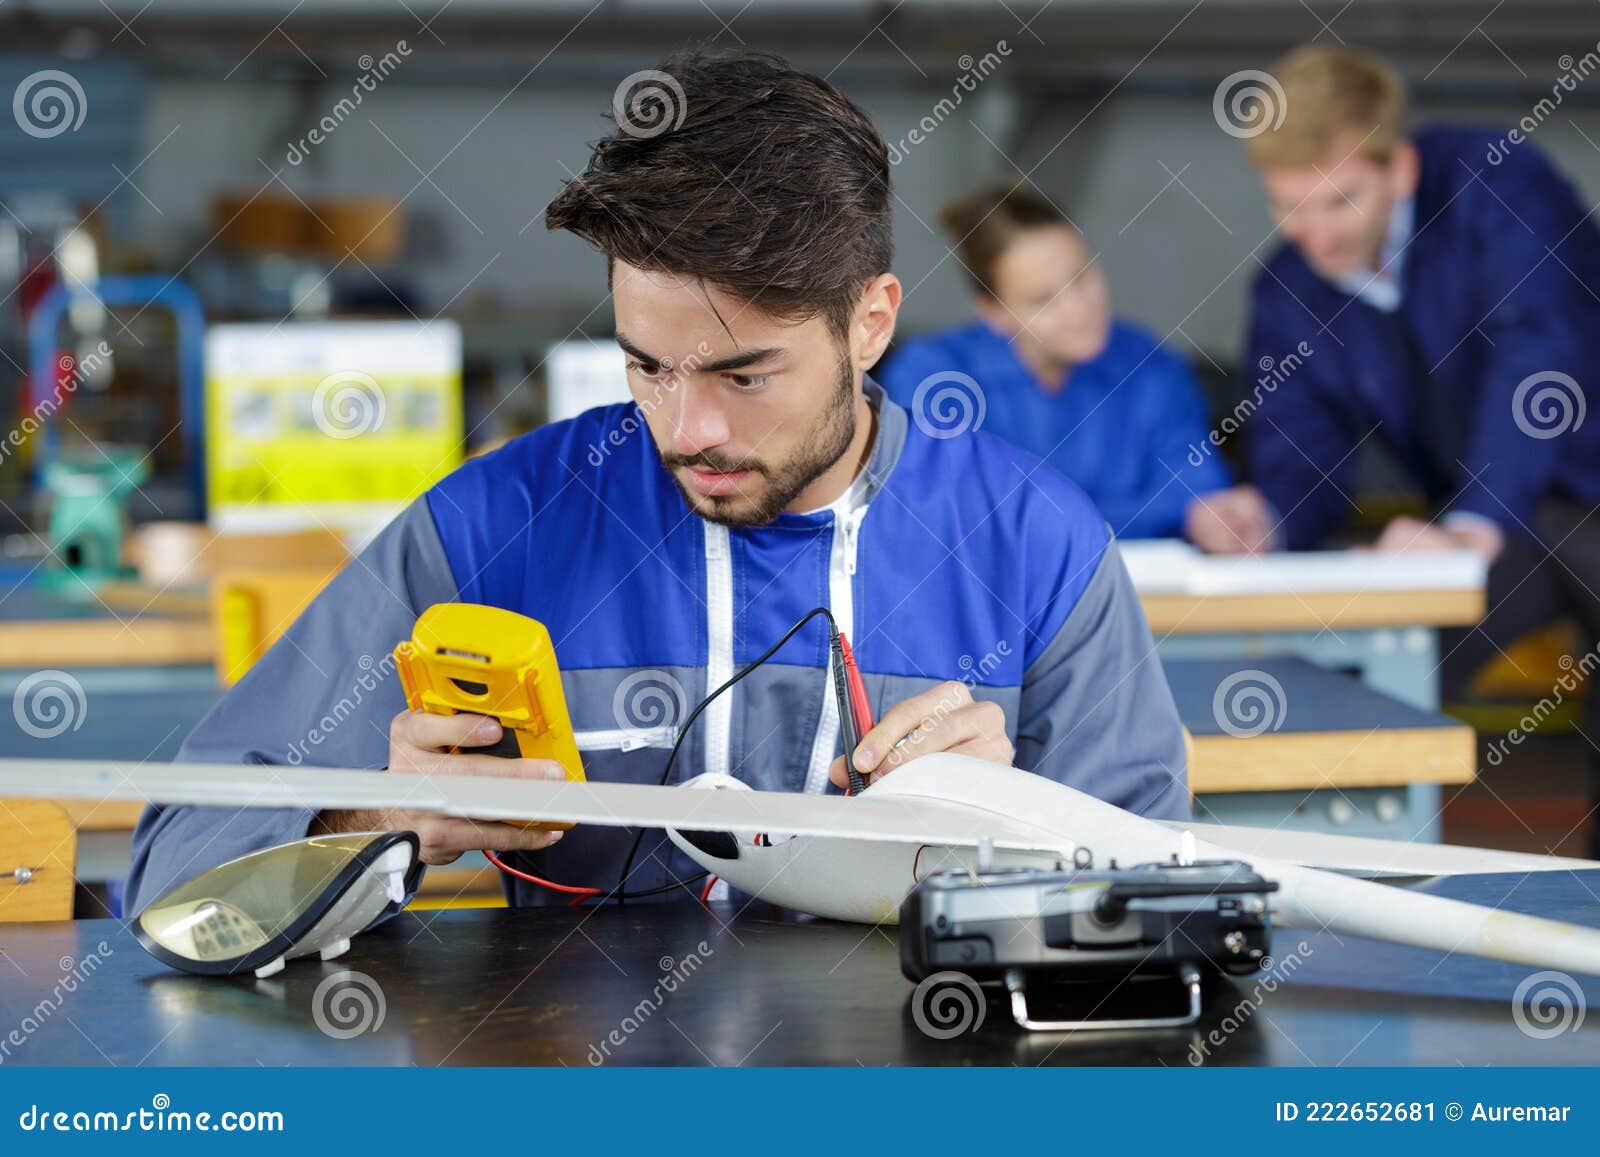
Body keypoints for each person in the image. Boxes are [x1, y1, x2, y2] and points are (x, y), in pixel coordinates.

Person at [126, 48, 1189, 916]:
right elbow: (171, 867)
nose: (687, 430)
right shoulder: (493, 530)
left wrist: (1015, 830)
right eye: (646, 366)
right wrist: (374, 824)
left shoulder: (1036, 548)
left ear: (870, 321)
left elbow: (1171, 914)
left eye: (744, 373)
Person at [1189, 45, 1600, 854]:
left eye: (1340, 201)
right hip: (1510, 517)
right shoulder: (1289, 288)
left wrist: (1476, 519)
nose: (1317, 233)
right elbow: (1301, 445)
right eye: (1290, 208)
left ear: (1400, 168)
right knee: (1381, 674)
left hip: (1553, 493)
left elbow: (1539, 350)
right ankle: (1330, 886)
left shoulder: (1496, 184)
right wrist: (1266, 514)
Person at [877, 184, 1231, 539]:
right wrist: (1152, 515)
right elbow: (946, 516)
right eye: (1043, 300)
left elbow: (1201, 498)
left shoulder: (1150, 364)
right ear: (994, 313)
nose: (1078, 310)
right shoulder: (933, 375)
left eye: (1081, 278)